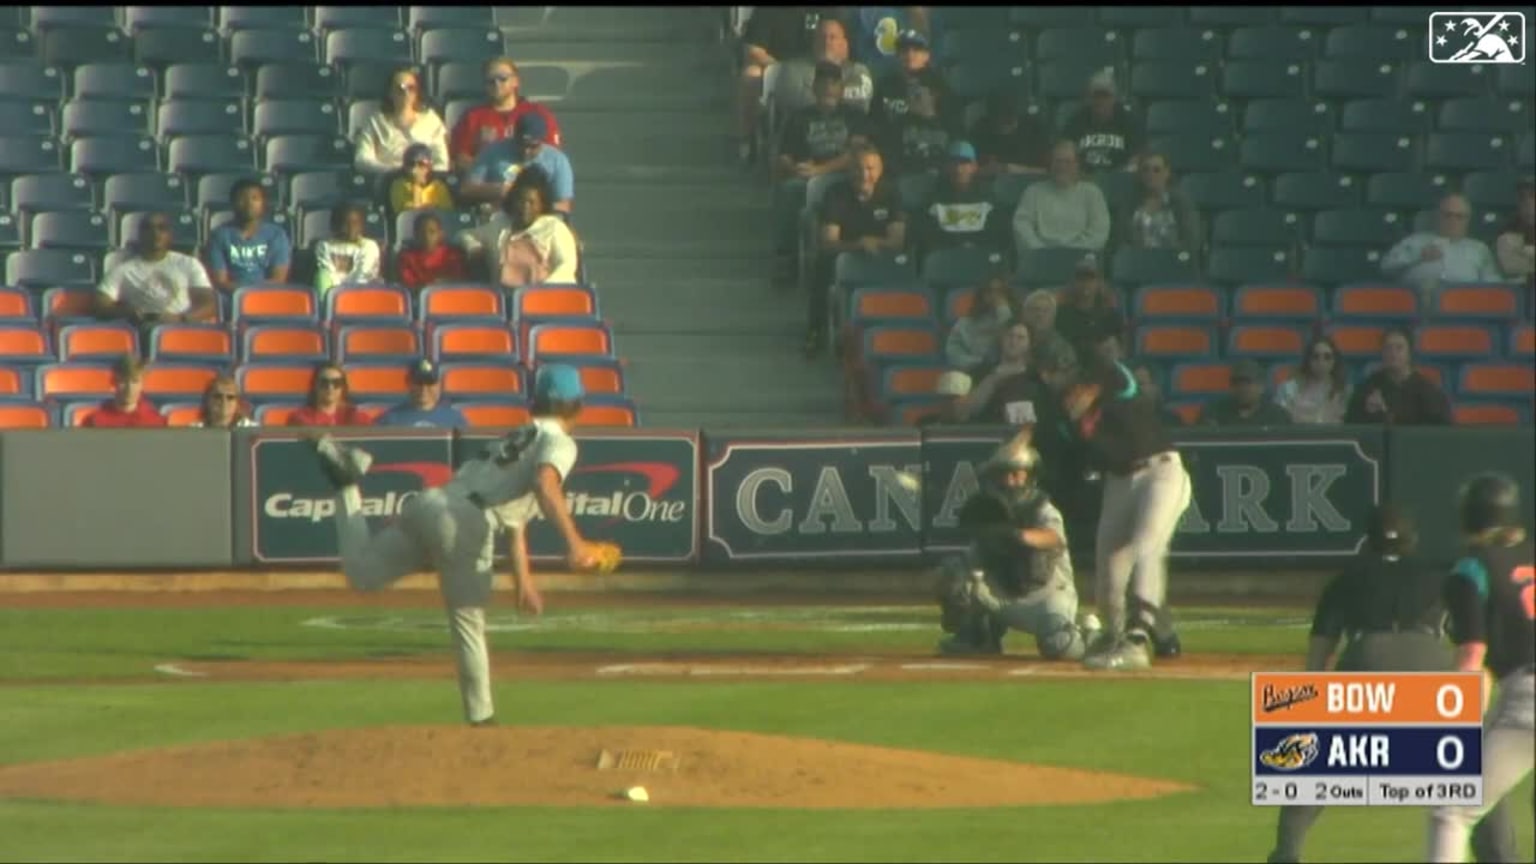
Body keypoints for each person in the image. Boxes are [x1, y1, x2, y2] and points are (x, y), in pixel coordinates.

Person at [306, 364, 604, 726]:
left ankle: (347, 483)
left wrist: (523, 580)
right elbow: (545, 484)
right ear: (577, 407)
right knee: (468, 622)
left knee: (362, 573)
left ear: (534, 402)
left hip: (431, 503)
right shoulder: (559, 441)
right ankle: (482, 721)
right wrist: (576, 543)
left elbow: (514, 518)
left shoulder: (518, 434)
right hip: (464, 522)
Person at [1266, 503, 1521, 864]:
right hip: (1429, 667)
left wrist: (1316, 708)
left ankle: (1287, 853)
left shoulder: (1346, 579)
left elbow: (1318, 655)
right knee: (1476, 767)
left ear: (1367, 542)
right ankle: (1502, 857)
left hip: (1365, 662)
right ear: (1413, 541)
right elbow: (1470, 647)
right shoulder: (1438, 576)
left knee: (1313, 756)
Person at [1039, 346, 1189, 670]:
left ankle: (1137, 640)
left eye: (1074, 389)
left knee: (1147, 548)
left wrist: (1088, 386)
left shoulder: (1113, 386)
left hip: (1159, 470)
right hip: (1118, 482)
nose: (1071, 398)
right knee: (1110, 581)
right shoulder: (1067, 422)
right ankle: (1156, 635)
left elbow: (1108, 365)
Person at [1426, 473, 1535, 863]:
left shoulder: (1472, 569)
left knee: (1452, 810)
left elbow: (1473, 656)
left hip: (1528, 697)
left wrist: (1459, 721)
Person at [933, 440, 1098, 659]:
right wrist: (954, 598)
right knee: (954, 571)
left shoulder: (1042, 508)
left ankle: (1089, 634)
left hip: (1045, 597)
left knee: (1062, 648)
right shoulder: (989, 510)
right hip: (1001, 595)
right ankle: (977, 636)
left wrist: (1017, 536)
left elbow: (1053, 538)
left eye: (1017, 474)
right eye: (1005, 474)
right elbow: (971, 559)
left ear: (1029, 476)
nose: (1010, 481)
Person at [773, 61, 871, 272]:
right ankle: (786, 256)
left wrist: (820, 170)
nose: (828, 87)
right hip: (806, 178)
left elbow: (856, 154)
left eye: (834, 83)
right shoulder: (798, 118)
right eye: (823, 82)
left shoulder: (856, 116)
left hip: (846, 177)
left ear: (842, 88)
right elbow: (784, 156)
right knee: (789, 189)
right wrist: (794, 169)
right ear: (814, 87)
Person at [811, 144, 906, 356]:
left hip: (880, 258)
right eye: (858, 168)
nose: (864, 175)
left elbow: (897, 241)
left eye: (870, 168)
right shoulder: (835, 193)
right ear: (849, 170)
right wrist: (859, 244)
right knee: (822, 264)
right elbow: (828, 242)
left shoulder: (891, 193)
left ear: (880, 170)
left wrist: (874, 242)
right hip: (844, 255)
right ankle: (816, 332)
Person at [737, 7, 845, 164]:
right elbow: (753, 50)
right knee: (750, 74)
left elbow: (842, 43)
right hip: (778, 67)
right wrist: (783, 68)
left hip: (822, 68)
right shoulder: (767, 11)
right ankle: (746, 141)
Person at [94, 212, 218, 339]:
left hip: (183, 328)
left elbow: (210, 305)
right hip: (143, 330)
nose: (155, 233)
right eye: (148, 228)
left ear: (170, 235)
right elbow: (100, 306)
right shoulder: (123, 270)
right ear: (140, 235)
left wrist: (180, 319)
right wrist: (126, 312)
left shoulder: (188, 264)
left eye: (162, 228)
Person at [457, 168, 579, 289]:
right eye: (521, 200)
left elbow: (566, 266)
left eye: (531, 202)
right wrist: (474, 249)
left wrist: (541, 291)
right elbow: (464, 235)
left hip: (548, 299)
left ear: (542, 204)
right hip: (504, 300)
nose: (525, 207)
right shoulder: (499, 226)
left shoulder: (554, 228)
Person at [449, 56, 562, 175]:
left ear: (516, 81)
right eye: (490, 81)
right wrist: (488, 171)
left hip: (530, 183)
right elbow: (460, 158)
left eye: (502, 79)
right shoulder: (472, 117)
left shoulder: (539, 113)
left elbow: (551, 155)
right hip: (487, 187)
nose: (496, 84)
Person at [1381, 194, 1502, 300]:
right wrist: (1418, 255)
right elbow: (1386, 267)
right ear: (1438, 216)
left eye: (1459, 216)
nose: (1453, 221)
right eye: (1447, 215)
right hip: (1418, 304)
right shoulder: (1415, 241)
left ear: (1467, 220)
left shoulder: (1478, 249)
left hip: (1464, 305)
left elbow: (1492, 284)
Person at [1013, 140, 1112, 260]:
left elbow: (1099, 233)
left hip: (1080, 259)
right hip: (1040, 259)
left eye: (1068, 162)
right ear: (1051, 164)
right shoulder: (1033, 192)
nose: (1062, 166)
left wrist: (1071, 254)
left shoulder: (1092, 193)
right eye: (1058, 161)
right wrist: (1041, 252)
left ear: (1077, 165)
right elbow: (1021, 226)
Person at [461, 112, 574, 211]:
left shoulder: (557, 161)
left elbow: (563, 205)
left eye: (532, 147)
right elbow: (466, 189)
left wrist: (535, 207)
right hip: (498, 216)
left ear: (542, 141)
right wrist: (499, 190)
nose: (526, 151)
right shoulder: (493, 151)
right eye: (521, 144)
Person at [353, 67, 450, 179]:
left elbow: (441, 161)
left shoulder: (431, 120)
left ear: (417, 92)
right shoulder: (375, 122)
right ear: (390, 92)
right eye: (400, 88)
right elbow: (362, 160)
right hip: (388, 181)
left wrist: (426, 176)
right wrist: (396, 172)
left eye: (411, 88)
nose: (405, 92)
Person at [1344, 327, 1452, 426]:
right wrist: (1368, 413)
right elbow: (1351, 425)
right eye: (1388, 348)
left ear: (1409, 353)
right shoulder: (1368, 388)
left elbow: (1441, 428)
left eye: (1399, 348)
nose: (1393, 353)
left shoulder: (1428, 391)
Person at [918, 141, 1005, 260]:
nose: (958, 169)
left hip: (979, 258)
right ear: (946, 166)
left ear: (974, 167)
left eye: (964, 163)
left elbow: (996, 234)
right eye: (954, 163)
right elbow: (928, 235)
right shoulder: (935, 197)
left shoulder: (987, 197)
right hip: (945, 259)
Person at [773, 17, 875, 115]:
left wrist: (822, 96)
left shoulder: (858, 71)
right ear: (813, 43)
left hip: (850, 128)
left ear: (844, 44)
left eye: (832, 37)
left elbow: (861, 102)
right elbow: (792, 103)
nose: (826, 42)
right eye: (821, 37)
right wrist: (834, 96)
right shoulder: (792, 70)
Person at [206, 179, 292, 291]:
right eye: (242, 198)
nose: (249, 204)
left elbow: (278, 280)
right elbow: (220, 282)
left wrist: (250, 292)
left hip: (267, 296)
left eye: (255, 198)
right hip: (231, 297)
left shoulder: (277, 235)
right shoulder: (219, 235)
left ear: (263, 203)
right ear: (233, 203)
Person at [960, 322, 1046, 427]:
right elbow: (965, 412)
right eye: (1010, 335)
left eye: (1020, 338)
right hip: (983, 434)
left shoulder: (1034, 378)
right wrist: (992, 381)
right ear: (1002, 339)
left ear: (1030, 344)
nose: (1013, 342)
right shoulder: (981, 372)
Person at [1060, 68, 1144, 175]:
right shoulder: (1076, 121)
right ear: (1088, 98)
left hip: (1119, 178)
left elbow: (1137, 156)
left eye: (1105, 96)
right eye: (1096, 96)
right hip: (1082, 179)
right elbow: (1065, 151)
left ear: (1114, 98)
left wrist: (1121, 175)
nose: (1100, 101)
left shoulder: (1129, 121)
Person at [1116, 151, 1201, 256]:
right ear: (1140, 174)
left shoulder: (1182, 205)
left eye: (1156, 170)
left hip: (1172, 264)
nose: (1150, 174)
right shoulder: (1129, 205)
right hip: (1138, 265)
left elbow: (1191, 242)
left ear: (1166, 173)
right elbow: (1122, 244)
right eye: (1146, 170)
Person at [869, 30, 954, 132]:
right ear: (897, 55)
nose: (910, 54)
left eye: (917, 49)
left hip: (930, 141)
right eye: (904, 50)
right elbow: (873, 121)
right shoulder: (885, 85)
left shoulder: (939, 86)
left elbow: (953, 128)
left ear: (927, 55)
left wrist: (930, 115)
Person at [1053, 254, 1124, 358]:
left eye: (1090, 279)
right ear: (1073, 283)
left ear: (1099, 283)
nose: (1085, 284)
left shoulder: (1111, 315)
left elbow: (1120, 350)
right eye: (1080, 279)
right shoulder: (1061, 314)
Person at [944, 275, 1016, 377]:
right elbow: (953, 352)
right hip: (972, 372)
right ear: (981, 295)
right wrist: (977, 363)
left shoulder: (1017, 322)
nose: (994, 296)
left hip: (1008, 373)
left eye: (1000, 292)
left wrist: (1003, 310)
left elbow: (1012, 339)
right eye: (989, 291)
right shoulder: (965, 324)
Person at [875, 83, 952, 178]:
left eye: (917, 96)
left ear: (933, 96)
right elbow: (891, 160)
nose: (911, 99)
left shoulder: (948, 128)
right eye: (909, 96)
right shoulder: (898, 127)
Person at [969, 92, 1051, 176]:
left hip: (1031, 185)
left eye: (1009, 114)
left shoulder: (1035, 130)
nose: (1004, 119)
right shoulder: (980, 130)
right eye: (998, 114)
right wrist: (984, 170)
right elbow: (965, 170)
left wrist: (1011, 169)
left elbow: (1050, 171)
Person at [371, 359, 469, 429]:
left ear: (439, 385)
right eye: (418, 383)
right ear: (408, 383)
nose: (424, 389)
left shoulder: (455, 419)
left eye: (429, 383)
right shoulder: (389, 420)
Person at [1274, 336, 1350, 425]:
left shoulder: (1343, 391)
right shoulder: (1289, 389)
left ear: (1335, 360)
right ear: (1308, 360)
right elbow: (1279, 419)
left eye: (1327, 357)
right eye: (1315, 357)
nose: (1321, 362)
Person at [1199, 358, 1292, 427]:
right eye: (1237, 384)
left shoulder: (1277, 416)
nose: (1242, 388)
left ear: (1262, 387)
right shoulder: (1213, 412)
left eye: (1248, 383)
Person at [314, 203, 383, 296]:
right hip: (334, 293)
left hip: (362, 292)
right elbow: (328, 272)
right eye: (345, 224)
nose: (351, 228)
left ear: (362, 225)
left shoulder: (368, 246)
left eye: (355, 223)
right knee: (321, 275)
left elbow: (363, 276)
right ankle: (326, 306)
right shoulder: (325, 245)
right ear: (335, 225)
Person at [82, 354, 168, 428]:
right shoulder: (95, 421)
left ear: (142, 384)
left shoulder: (156, 422)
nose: (129, 388)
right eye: (123, 381)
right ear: (113, 382)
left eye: (135, 381)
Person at [397, 211, 468, 291]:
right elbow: (409, 283)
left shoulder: (452, 255)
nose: (426, 236)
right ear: (415, 235)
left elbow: (459, 281)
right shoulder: (407, 257)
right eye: (422, 232)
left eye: (432, 232)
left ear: (441, 234)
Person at [287, 362, 371, 427]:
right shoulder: (300, 418)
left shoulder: (356, 417)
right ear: (315, 385)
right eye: (324, 383)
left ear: (343, 387)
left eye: (336, 383)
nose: (330, 387)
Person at [387, 143, 455, 219]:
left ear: (430, 166)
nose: (414, 170)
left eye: (421, 165)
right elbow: (403, 214)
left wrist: (433, 209)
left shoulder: (438, 187)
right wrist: (417, 185)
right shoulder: (399, 185)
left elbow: (448, 213)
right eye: (411, 165)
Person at [1495, 177, 1534, 287]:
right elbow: (1510, 267)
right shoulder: (1507, 230)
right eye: (1523, 197)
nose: (1528, 202)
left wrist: (1525, 252)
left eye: (1533, 196)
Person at [1129, 361, 1186, 428]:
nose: (1142, 375)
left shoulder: (1154, 389)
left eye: (1144, 374)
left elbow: (1159, 405)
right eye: (1140, 374)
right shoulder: (1131, 392)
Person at [188, 373, 255, 428]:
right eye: (218, 396)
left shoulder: (250, 429)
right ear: (207, 400)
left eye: (230, 397)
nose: (224, 402)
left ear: (237, 403)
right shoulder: (194, 431)